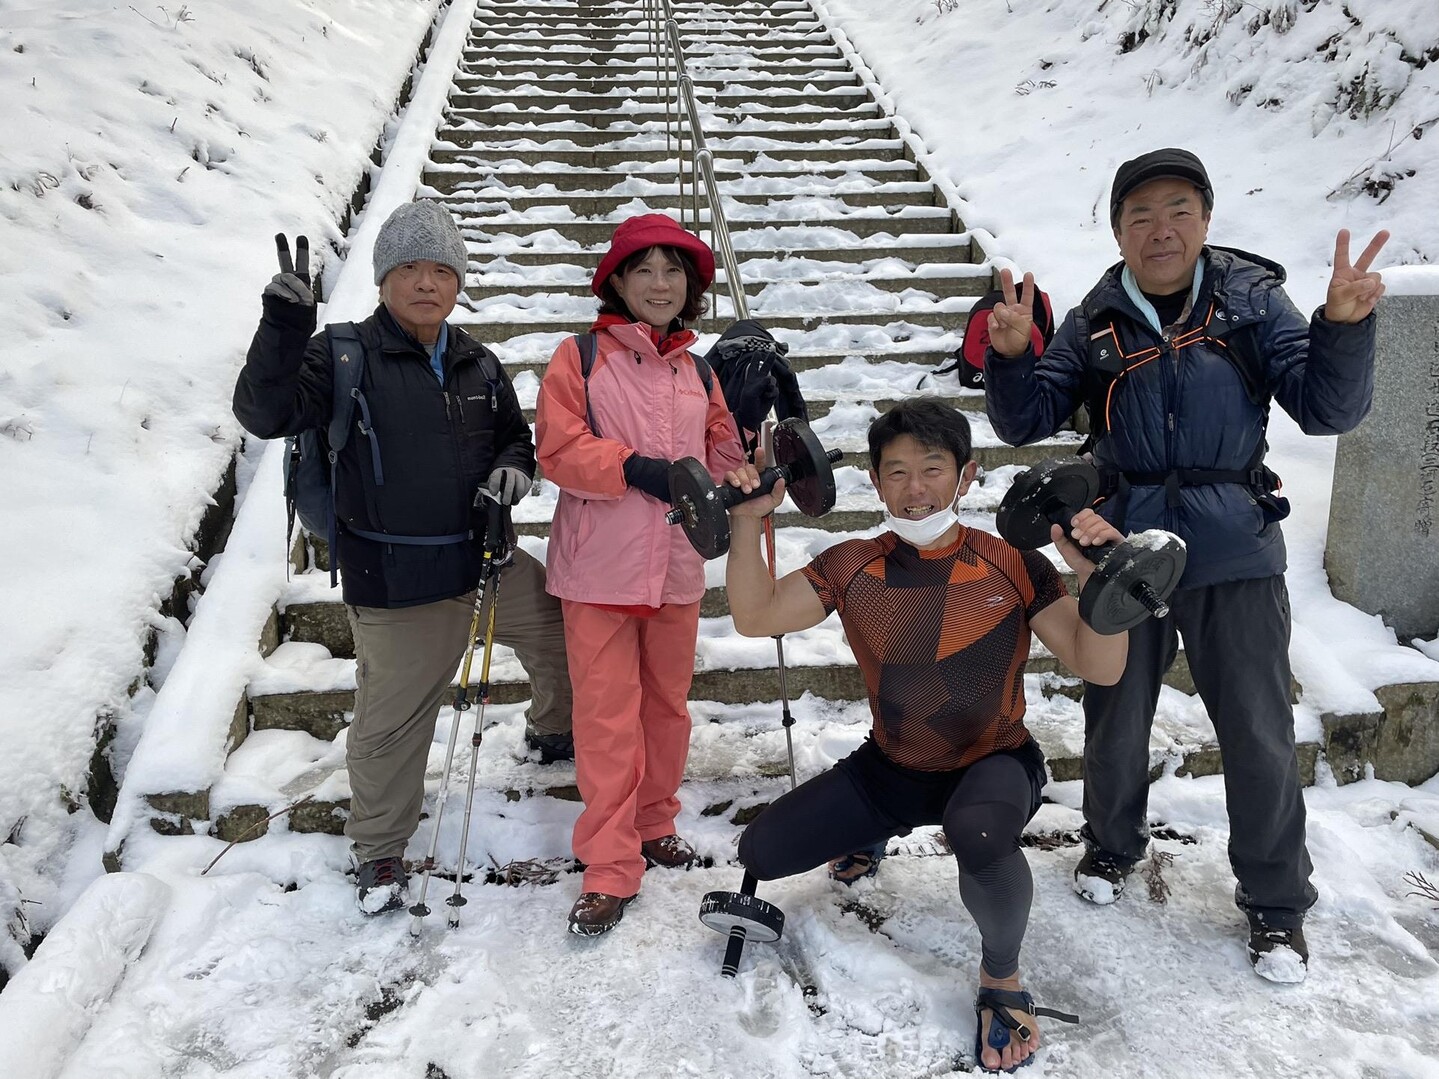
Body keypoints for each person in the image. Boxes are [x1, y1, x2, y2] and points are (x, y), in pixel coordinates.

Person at [982, 147, 1390, 981]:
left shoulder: (1250, 302)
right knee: (1115, 715)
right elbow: (1024, 422)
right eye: (1138, 215)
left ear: (1204, 221)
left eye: (1176, 210)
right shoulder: (1095, 318)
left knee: (1257, 730)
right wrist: (1015, 354)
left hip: (1231, 548)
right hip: (1121, 549)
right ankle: (1109, 846)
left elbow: (1324, 409)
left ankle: (1276, 905)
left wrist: (1341, 327)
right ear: (1118, 232)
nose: (1158, 228)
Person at [726, 398, 1128, 1073]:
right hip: (891, 768)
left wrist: (1098, 579)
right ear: (876, 483)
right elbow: (753, 613)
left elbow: (1098, 664)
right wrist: (745, 524)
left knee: (975, 830)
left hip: (992, 763)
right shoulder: (850, 563)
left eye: (932, 469)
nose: (915, 490)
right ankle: (869, 830)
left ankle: (1000, 977)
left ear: (966, 475)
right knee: (760, 850)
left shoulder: (1013, 563)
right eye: (897, 473)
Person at [233, 200, 576, 915]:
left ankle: (553, 730)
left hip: (487, 561)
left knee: (567, 629)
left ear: (457, 282)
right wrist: (284, 327)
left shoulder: (478, 360)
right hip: (396, 579)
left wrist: (513, 471)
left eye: (442, 269)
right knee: (392, 723)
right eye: (411, 268)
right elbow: (264, 414)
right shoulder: (340, 354)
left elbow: (516, 438)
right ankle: (380, 851)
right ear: (385, 277)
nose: (427, 282)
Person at [535, 213, 756, 936]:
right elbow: (558, 448)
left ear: (689, 286)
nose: (659, 283)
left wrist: (754, 434)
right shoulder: (581, 356)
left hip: (677, 564)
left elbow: (721, 457)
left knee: (667, 706)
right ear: (617, 282)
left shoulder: (697, 368)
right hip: (599, 567)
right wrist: (633, 467)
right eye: (644, 270)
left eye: (673, 271)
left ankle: (654, 820)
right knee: (604, 717)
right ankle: (607, 863)